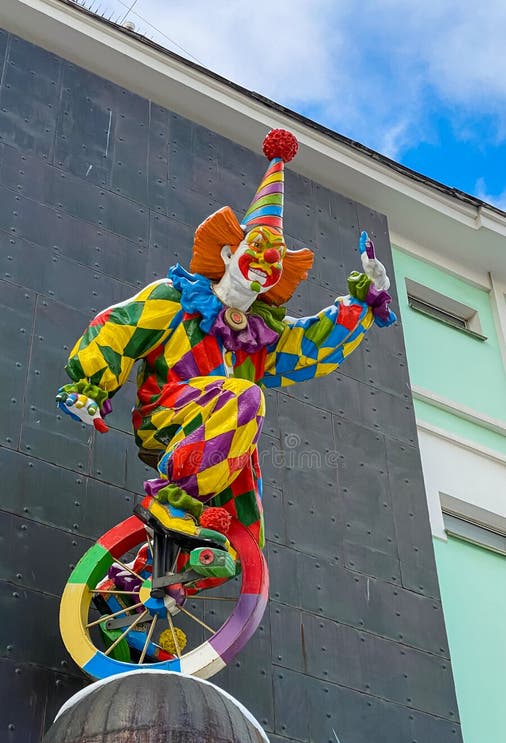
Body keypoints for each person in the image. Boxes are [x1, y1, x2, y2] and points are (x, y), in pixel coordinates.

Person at [57, 129, 395, 554]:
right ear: (227, 253)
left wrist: (367, 296)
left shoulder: (264, 335)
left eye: (276, 256)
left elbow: (313, 344)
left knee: (243, 536)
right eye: (258, 246)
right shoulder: (176, 299)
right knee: (245, 398)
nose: (267, 260)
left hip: (222, 443)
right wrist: (86, 387)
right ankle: (171, 498)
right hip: (170, 417)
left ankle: (141, 585)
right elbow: (118, 329)